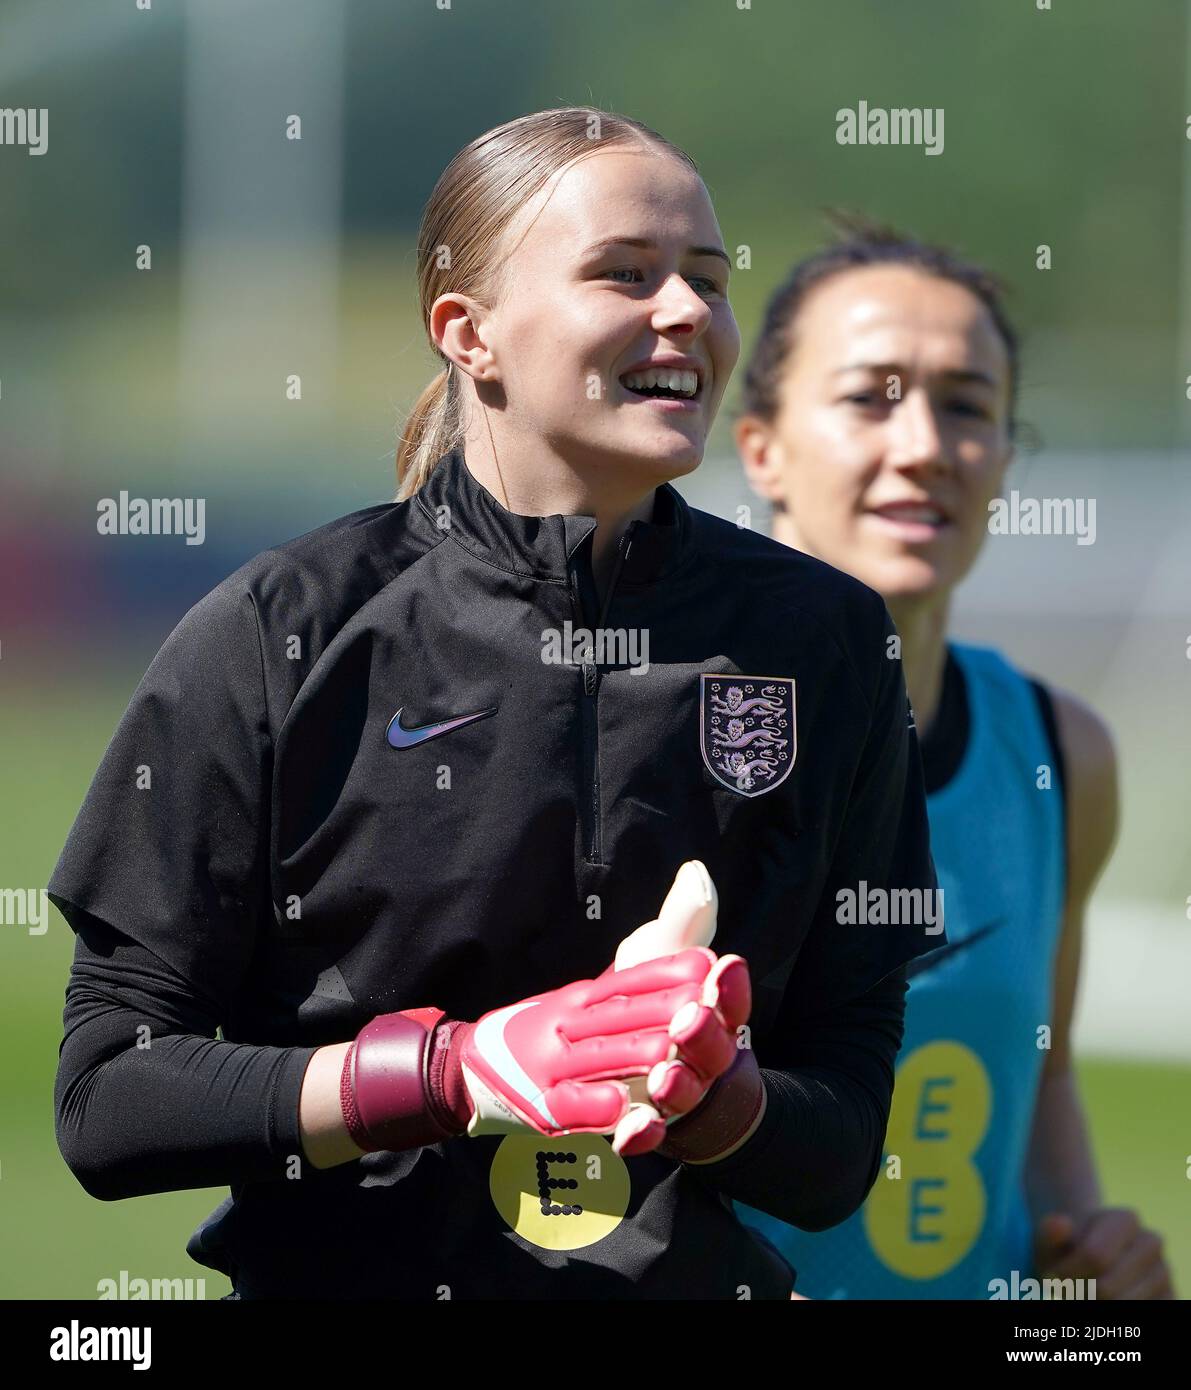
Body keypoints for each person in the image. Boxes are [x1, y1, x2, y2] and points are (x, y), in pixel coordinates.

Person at [48, 111, 939, 1301]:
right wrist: (455, 1073)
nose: (685, 311)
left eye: (709, 281)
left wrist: (714, 1097)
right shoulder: (281, 630)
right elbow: (109, 1096)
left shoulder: (823, 640)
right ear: (469, 334)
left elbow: (839, 1141)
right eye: (624, 273)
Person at [732, 219, 1175, 1300]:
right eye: (870, 394)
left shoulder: (1063, 754)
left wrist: (1092, 1269)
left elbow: (1044, 1070)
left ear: (1007, 460)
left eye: (967, 405)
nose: (925, 442)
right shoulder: (649, 738)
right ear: (762, 447)